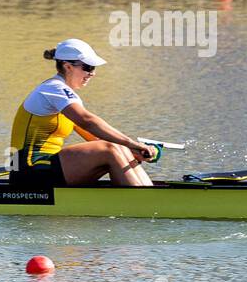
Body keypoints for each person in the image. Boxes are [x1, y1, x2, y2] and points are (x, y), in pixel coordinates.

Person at [9, 39, 159, 187]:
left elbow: (95, 137)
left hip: (47, 166)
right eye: (88, 67)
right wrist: (131, 142)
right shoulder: (53, 89)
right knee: (110, 150)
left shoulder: (65, 97)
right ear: (68, 66)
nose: (92, 73)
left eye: (93, 68)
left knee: (118, 148)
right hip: (28, 169)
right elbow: (87, 121)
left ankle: (148, 194)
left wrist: (133, 150)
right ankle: (142, 203)